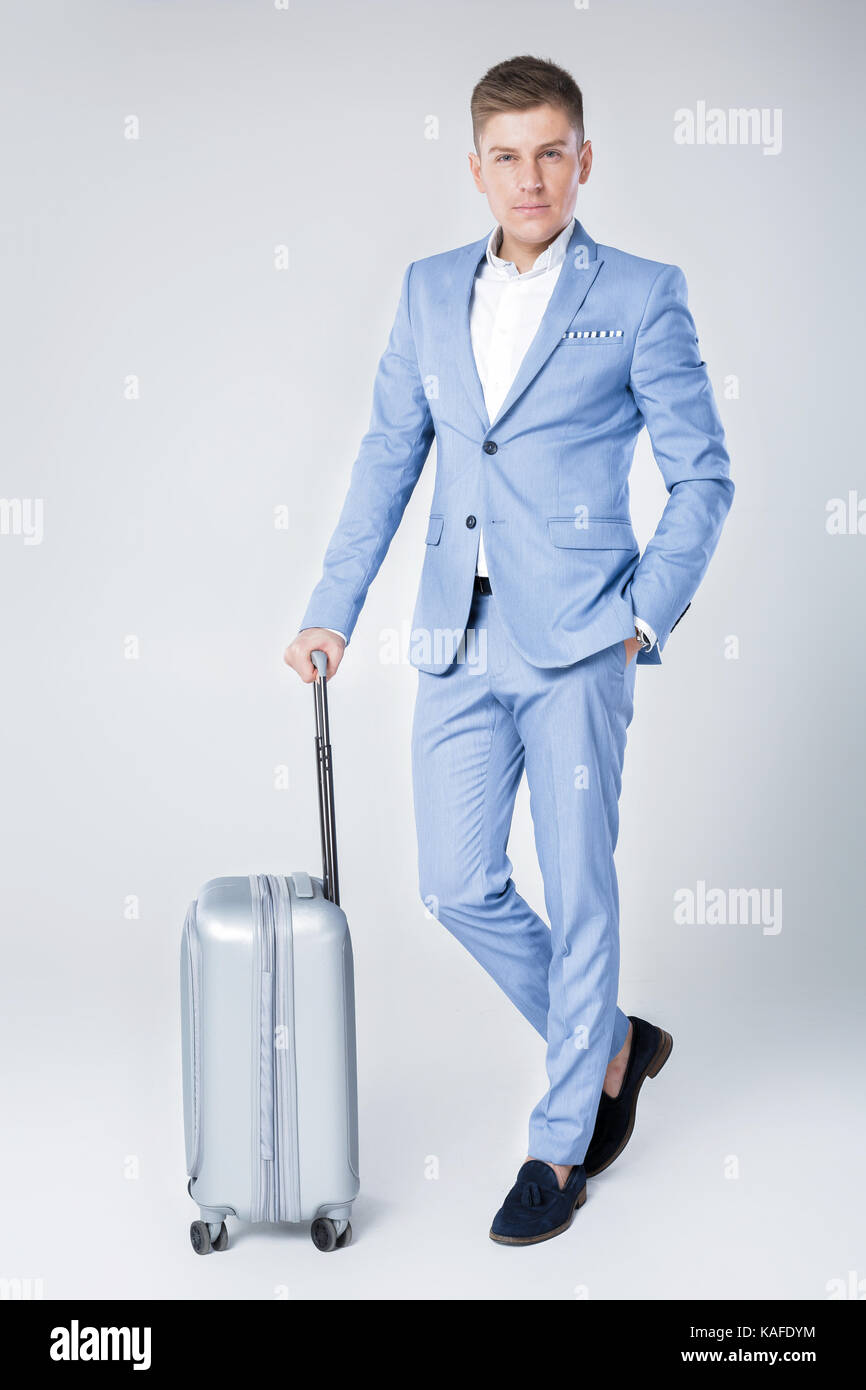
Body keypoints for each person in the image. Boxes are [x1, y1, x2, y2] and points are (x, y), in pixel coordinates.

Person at [284, 54, 733, 1246]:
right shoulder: (429, 290)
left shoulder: (640, 294)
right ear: (474, 167)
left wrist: (644, 612)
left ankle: (558, 1143)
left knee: (579, 890)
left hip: (581, 637)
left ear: (582, 161)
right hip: (456, 636)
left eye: (550, 154)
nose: (529, 178)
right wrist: (332, 607)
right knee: (454, 882)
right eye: (506, 157)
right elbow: (389, 457)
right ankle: (612, 1044)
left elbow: (701, 474)